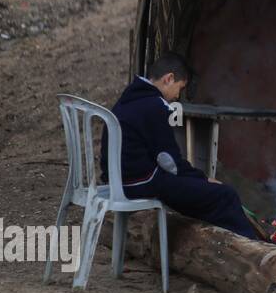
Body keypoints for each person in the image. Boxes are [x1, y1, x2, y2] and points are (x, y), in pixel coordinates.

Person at [103, 53, 258, 238]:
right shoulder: (154, 105)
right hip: (141, 182)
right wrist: (202, 179)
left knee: (204, 193)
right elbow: (169, 162)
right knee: (225, 195)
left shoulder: (130, 97)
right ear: (169, 79)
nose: (177, 96)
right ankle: (252, 248)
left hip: (119, 180)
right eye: (179, 88)